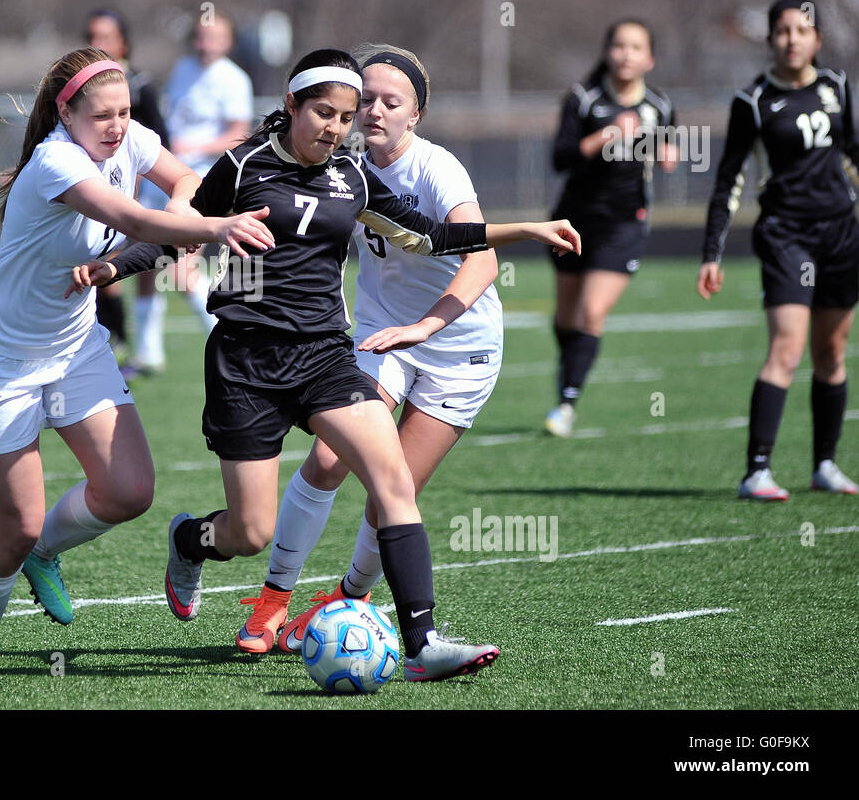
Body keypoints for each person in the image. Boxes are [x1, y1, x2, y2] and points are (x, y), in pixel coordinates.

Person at [69, 49, 579, 680]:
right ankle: (191, 541)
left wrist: (525, 228)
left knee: (391, 478)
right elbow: (177, 228)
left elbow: (429, 236)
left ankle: (420, 641)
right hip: (246, 361)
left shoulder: (354, 178)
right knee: (249, 532)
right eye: (324, 113)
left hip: (325, 357)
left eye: (345, 116)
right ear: (291, 106)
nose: (336, 127)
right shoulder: (243, 164)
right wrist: (114, 266)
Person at [0, 47, 273, 674]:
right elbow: (128, 215)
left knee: (129, 490)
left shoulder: (130, 136)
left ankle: (45, 553)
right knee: (13, 525)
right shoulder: (55, 162)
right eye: (102, 116)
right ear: (66, 113)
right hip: (0, 360)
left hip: (74, 347)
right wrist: (207, 230)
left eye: (124, 112)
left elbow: (186, 182)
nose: (118, 126)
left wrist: (180, 216)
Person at [231, 43, 506, 678]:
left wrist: (425, 326)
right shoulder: (341, 162)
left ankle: (350, 598)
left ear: (417, 113)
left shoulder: (439, 170)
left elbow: (483, 255)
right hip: (382, 336)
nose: (375, 111)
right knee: (329, 458)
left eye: (392, 101)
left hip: (458, 345)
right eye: (367, 101)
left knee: (393, 493)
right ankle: (273, 600)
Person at [698, 0, 859, 502]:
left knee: (832, 351)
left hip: (841, 233)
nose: (792, 39)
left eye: (802, 30)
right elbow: (728, 180)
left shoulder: (837, 87)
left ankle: (825, 465)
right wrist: (712, 252)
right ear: (770, 40)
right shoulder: (753, 102)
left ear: (817, 39)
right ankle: (756, 471)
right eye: (783, 31)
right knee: (787, 349)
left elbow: (853, 150)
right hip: (787, 235)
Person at [545, 19, 678, 438]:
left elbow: (669, 156)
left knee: (591, 312)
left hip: (625, 222)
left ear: (649, 58)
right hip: (573, 220)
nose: (626, 54)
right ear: (607, 52)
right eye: (619, 45)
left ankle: (566, 404)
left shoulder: (660, 104)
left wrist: (667, 152)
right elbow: (561, 158)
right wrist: (604, 136)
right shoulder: (583, 99)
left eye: (636, 47)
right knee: (566, 318)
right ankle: (569, 377)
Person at [129, 12, 255, 376]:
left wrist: (193, 145)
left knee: (181, 267)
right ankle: (148, 351)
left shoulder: (233, 79)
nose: (205, 44)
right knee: (144, 257)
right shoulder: (183, 67)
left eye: (214, 37)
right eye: (201, 36)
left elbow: (238, 133)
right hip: (166, 173)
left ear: (227, 41)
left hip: (199, 178)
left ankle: (225, 337)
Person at [84, 8, 170, 366]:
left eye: (106, 36)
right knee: (101, 263)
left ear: (123, 41)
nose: (98, 43)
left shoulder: (140, 85)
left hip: (139, 193)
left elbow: (160, 141)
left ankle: (131, 344)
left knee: (147, 267)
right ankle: (119, 343)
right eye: (92, 36)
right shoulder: (79, 89)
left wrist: (135, 182)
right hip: (95, 191)